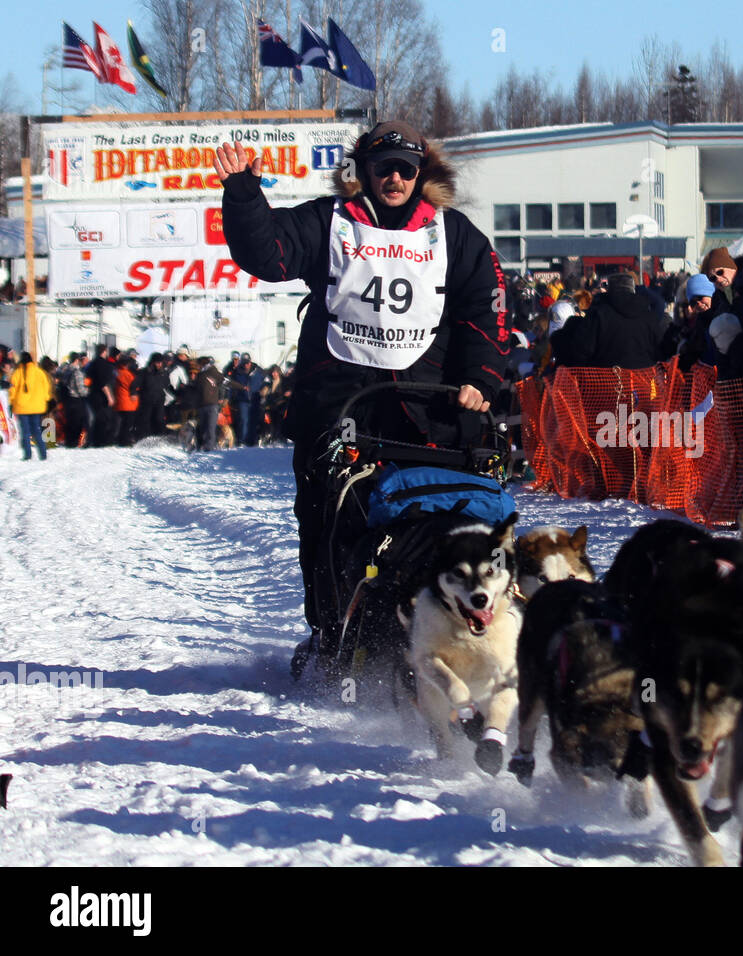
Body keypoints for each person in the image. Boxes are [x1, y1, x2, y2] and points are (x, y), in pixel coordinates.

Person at [215, 119, 510, 659]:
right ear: (364, 172)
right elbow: (269, 253)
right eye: (383, 168)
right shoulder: (331, 222)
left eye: (405, 169)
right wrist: (242, 194)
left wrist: (481, 379)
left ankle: (441, 630)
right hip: (339, 400)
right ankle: (334, 632)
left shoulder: (454, 233)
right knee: (329, 517)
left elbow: (484, 312)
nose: (394, 178)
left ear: (421, 173)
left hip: (429, 407)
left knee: (435, 515)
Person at [550, 270, 662, 369]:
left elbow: (581, 350)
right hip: (643, 383)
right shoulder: (649, 316)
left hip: (605, 386)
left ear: (609, 290)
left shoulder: (599, 314)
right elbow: (660, 350)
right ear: (633, 289)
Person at [9, 352, 53, 461]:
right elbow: (46, 388)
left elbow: (12, 390)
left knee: (25, 432)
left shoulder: (17, 373)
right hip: (37, 407)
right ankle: (43, 454)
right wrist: (46, 399)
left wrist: (11, 402)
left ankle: (27, 455)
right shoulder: (40, 372)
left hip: (22, 407)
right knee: (37, 431)